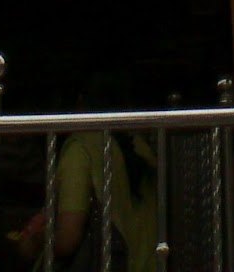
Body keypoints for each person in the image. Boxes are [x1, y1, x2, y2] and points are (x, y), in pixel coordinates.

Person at [15, 76, 157, 272]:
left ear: (80, 103)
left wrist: (33, 239)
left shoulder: (80, 149)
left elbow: (68, 238)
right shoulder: (142, 148)